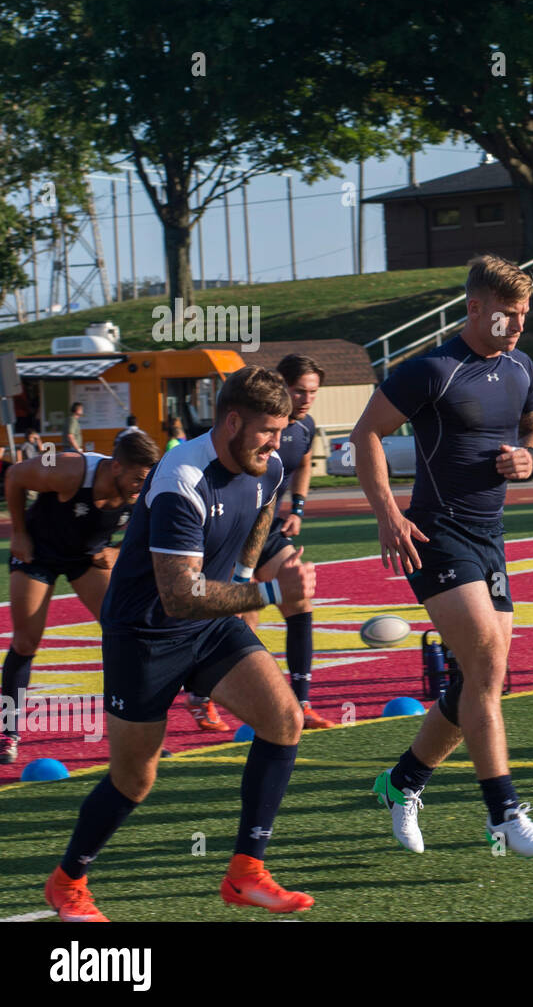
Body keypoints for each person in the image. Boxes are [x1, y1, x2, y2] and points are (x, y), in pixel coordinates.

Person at [42, 366, 316, 922]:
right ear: (233, 421)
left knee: (284, 719)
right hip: (144, 634)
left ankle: (246, 872)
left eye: (283, 429)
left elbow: (261, 512)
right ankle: (67, 880)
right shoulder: (180, 478)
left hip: (209, 624)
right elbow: (178, 596)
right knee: (134, 779)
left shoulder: (271, 463)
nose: (277, 442)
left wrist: (243, 571)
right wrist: (264, 591)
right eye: (267, 430)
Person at [359, 254, 533, 858]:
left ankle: (403, 783)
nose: (519, 326)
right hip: (435, 534)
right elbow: (364, 432)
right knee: (483, 659)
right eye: (508, 315)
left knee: (486, 675)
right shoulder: (432, 369)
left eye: (524, 314)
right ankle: (503, 814)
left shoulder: (522, 365)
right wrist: (388, 513)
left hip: (489, 534)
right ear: (475, 309)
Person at [186, 355, 332, 731]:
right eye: (299, 390)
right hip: (228, 530)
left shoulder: (303, 427)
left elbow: (299, 466)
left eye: (313, 392)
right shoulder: (240, 430)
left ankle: (301, 702)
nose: (306, 399)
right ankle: (202, 695)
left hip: (265, 529)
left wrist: (297, 507)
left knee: (299, 600)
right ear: (280, 384)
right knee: (241, 616)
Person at [2, 433, 159, 765]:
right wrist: (17, 532)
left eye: (145, 481)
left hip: (85, 557)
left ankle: (137, 729)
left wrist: (116, 551)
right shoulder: (69, 468)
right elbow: (15, 474)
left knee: (126, 631)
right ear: (115, 466)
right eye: (136, 479)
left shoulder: (144, 488)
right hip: (38, 553)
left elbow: (152, 529)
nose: (140, 488)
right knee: (26, 641)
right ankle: (7, 731)